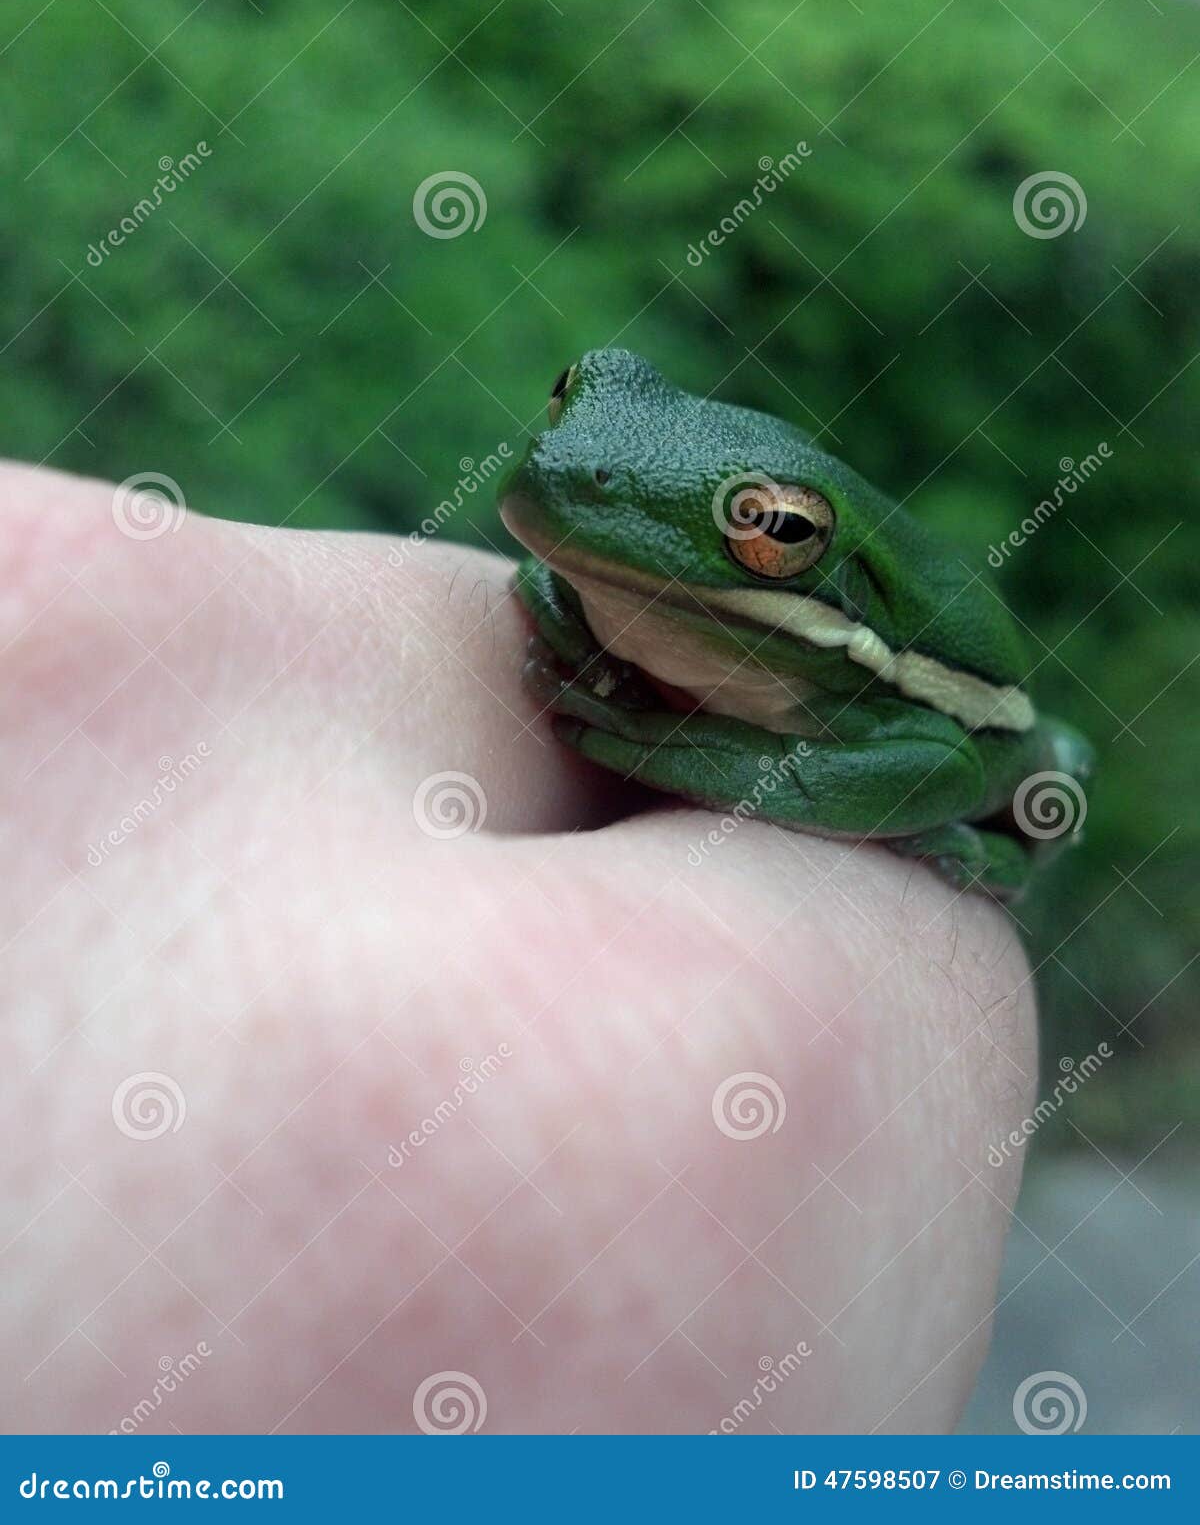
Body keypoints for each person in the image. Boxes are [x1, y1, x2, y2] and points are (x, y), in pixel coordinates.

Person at [0, 461, 1036, 1434]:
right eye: (566, 400)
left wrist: (669, 743)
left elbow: (945, 760)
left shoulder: (867, 670)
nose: (567, 464)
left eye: (771, 529)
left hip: (943, 726)